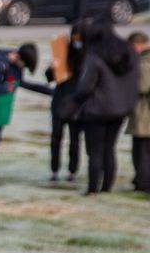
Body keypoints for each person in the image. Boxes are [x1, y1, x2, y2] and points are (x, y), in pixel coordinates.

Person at [71, 18, 142, 194]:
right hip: (121, 108)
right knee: (109, 148)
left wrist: (75, 101)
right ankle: (106, 187)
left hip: (97, 109)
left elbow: (85, 86)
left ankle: (92, 188)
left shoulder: (94, 55)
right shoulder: (128, 51)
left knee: (95, 150)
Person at [0, 44, 49, 189]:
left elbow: (24, 84)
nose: (23, 68)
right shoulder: (1, 67)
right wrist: (5, 88)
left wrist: (49, 91)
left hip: (1, 115)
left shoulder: (16, 69)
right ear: (19, 58)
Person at [46, 28, 84, 183]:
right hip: (60, 103)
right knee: (56, 139)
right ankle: (55, 170)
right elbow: (50, 78)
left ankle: (72, 172)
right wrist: (52, 68)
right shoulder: (62, 55)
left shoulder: (86, 58)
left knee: (75, 140)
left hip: (76, 105)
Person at [129, 32, 150, 192]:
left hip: (144, 116)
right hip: (144, 115)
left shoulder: (144, 63)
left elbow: (142, 86)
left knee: (141, 152)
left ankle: (142, 182)